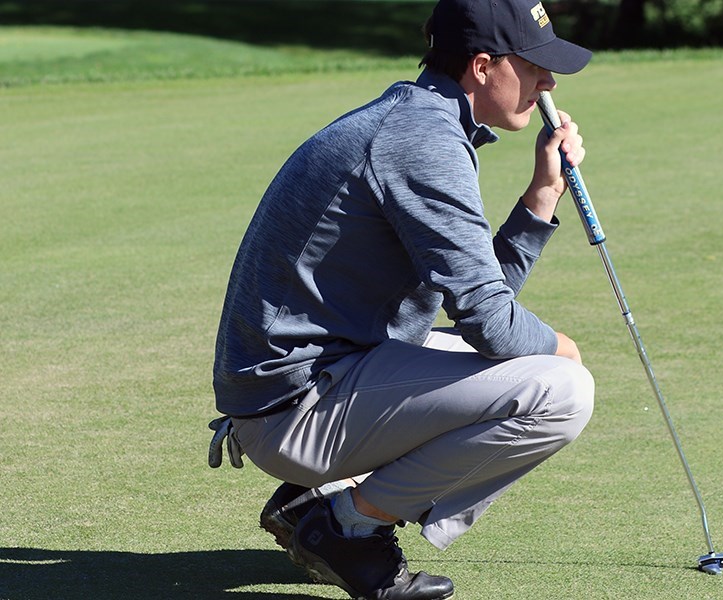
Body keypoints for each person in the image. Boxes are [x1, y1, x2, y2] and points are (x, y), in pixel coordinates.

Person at [210, 1, 594, 598]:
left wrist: (544, 192)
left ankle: (312, 500)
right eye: (534, 66)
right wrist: (559, 346)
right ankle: (346, 527)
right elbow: (490, 323)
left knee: (531, 367)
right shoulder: (423, 140)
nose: (548, 82)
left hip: (311, 380)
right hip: (295, 407)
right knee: (562, 390)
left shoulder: (418, 119)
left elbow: (480, 299)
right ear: (483, 67)